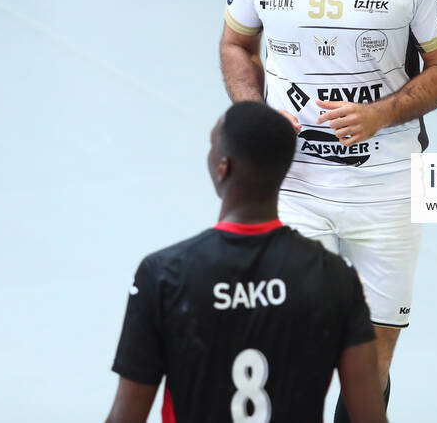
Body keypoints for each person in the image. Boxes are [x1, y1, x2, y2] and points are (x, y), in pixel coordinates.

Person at [219, 0, 437, 421]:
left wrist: (383, 112)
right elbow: (235, 45)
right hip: (293, 181)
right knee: (291, 346)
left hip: (386, 182)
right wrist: (258, 120)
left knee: (372, 360)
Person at [105, 101, 388, 423]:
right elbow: (369, 418)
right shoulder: (334, 276)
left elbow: (126, 417)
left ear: (222, 167)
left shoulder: (163, 274)